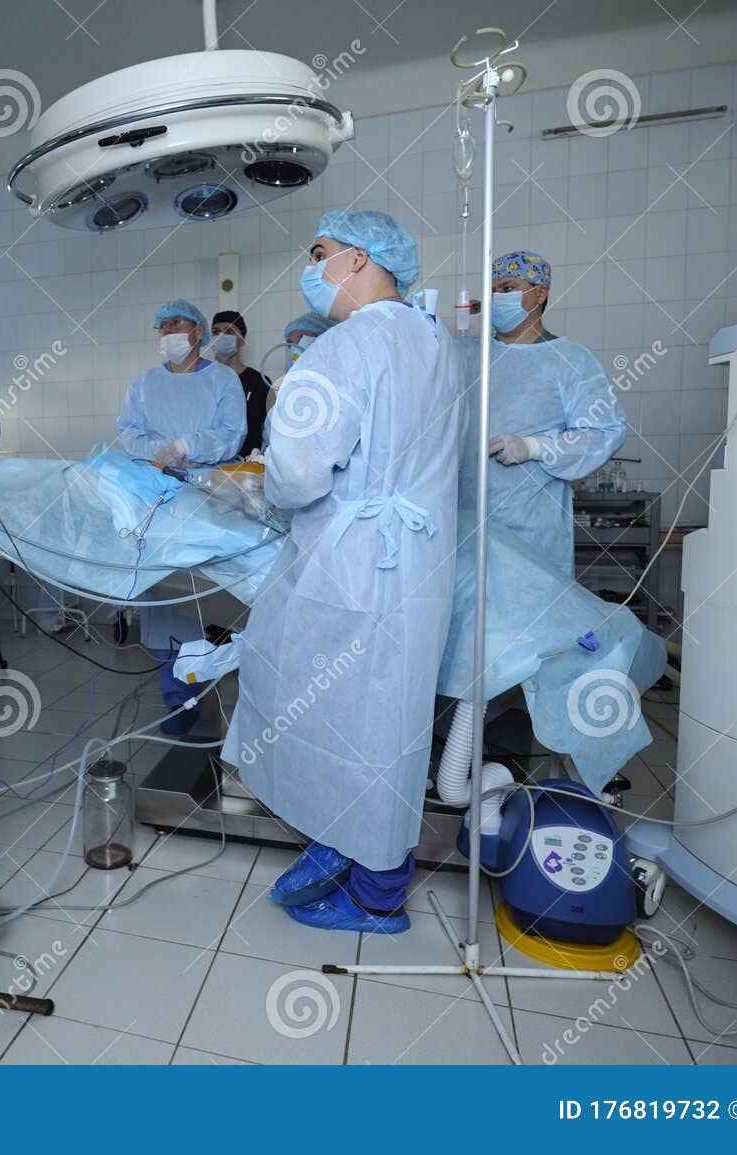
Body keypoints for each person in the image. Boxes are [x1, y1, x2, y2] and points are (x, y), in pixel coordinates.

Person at [223, 210, 464, 934]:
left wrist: (261, 485)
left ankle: (373, 889)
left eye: (319, 253)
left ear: (358, 259)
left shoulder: (343, 348)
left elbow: (296, 474)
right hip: (420, 561)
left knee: (326, 707)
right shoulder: (434, 341)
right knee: (388, 718)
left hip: (353, 563)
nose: (313, 266)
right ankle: (360, 855)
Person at [118, 298, 247, 734]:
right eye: (162, 324)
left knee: (209, 595)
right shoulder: (143, 384)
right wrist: (157, 451)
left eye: (177, 323)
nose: (168, 331)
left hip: (209, 500)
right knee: (165, 601)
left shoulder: (223, 380)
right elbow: (127, 432)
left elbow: (232, 434)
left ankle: (223, 683)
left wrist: (188, 447)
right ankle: (178, 700)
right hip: (155, 499)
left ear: (197, 333)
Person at [459, 251, 625, 575]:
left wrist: (534, 447)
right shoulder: (464, 355)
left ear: (541, 293)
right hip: (462, 528)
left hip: (531, 533)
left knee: (532, 621)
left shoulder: (571, 361)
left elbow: (604, 433)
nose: (496, 297)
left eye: (507, 288)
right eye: (492, 290)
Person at [208, 309, 270, 456]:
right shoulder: (201, 381)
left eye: (229, 331)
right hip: (206, 463)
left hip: (246, 467)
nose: (221, 336)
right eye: (216, 332)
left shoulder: (259, 381)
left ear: (242, 340)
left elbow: (268, 430)